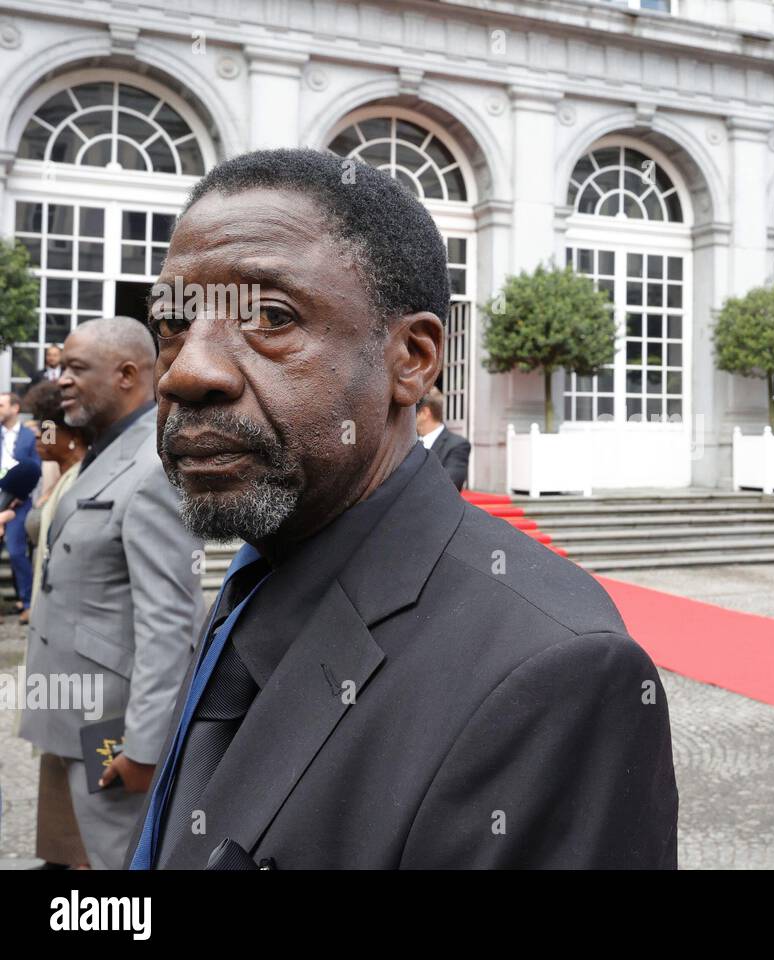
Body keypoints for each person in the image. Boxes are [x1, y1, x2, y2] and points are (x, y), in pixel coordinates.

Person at [126, 148, 677, 870]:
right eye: (174, 323)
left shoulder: (554, 672)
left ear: (412, 359)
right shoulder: (260, 571)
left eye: (269, 315)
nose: (191, 369)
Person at [18, 316, 205, 870]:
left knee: (120, 867)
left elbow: (170, 624)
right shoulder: (103, 453)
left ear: (127, 374)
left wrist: (143, 748)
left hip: (111, 729)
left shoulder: (152, 470)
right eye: (60, 367)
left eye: (76, 368)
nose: (62, 381)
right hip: (73, 714)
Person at [11, 380, 91, 869]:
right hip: (50, 642)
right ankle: (65, 858)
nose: (32, 436)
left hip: (84, 659)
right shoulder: (56, 474)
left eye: (38, 425)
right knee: (56, 762)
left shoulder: (86, 476)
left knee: (89, 766)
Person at [0, 390, 40, 622]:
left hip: (18, 502)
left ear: (15, 408)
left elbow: (36, 466)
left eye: (1, 404)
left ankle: (27, 603)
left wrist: (20, 493)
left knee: (16, 552)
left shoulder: (30, 435)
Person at [416, 387, 470, 491]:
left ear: (425, 412)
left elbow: (450, 486)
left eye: (413, 411)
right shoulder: (409, 444)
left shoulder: (457, 445)